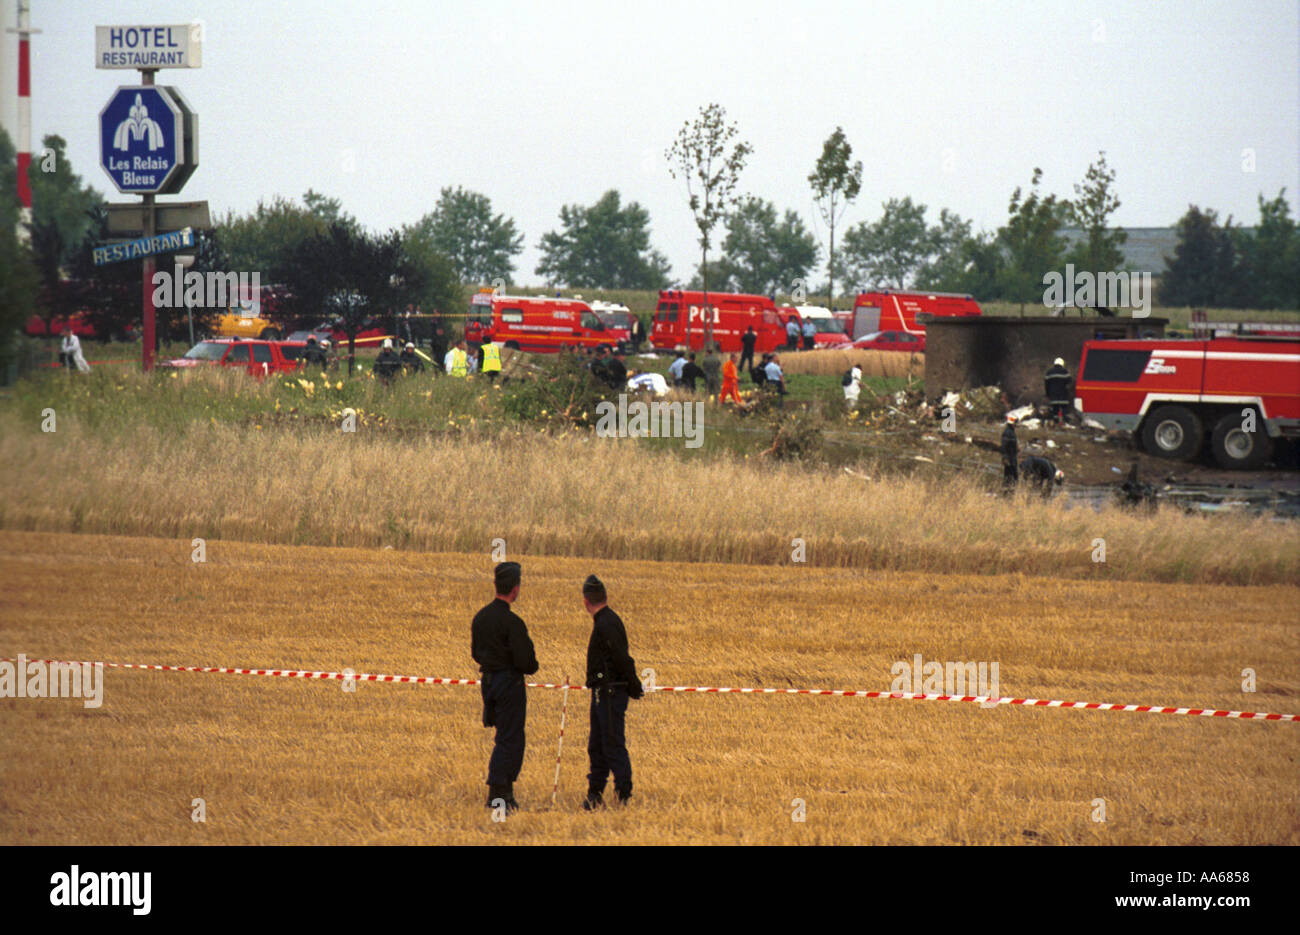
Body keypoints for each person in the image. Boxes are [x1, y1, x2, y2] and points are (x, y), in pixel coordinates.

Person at [471, 562, 539, 813]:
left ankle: (504, 792)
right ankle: (500, 793)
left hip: (488, 682)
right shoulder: (513, 623)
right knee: (510, 739)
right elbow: (527, 663)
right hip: (509, 684)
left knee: (503, 736)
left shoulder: (481, 617)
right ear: (515, 589)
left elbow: (476, 653)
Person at [581, 574, 642, 809]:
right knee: (597, 745)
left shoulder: (607, 623)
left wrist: (632, 683)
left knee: (612, 743)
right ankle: (595, 794)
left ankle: (623, 794)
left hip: (610, 693)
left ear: (586, 602)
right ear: (605, 596)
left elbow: (621, 658)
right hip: (603, 692)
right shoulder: (608, 621)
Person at [1044, 357, 1072, 424]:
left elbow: (1046, 385)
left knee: (1055, 409)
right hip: (1063, 394)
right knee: (1064, 408)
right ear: (1062, 364)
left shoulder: (1049, 372)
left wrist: (1047, 394)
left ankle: (1055, 422)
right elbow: (1069, 382)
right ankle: (1065, 422)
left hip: (1053, 394)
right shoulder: (1065, 372)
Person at [1001, 415, 1019, 487]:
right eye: (1015, 422)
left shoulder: (1011, 432)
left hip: (1013, 458)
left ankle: (1010, 492)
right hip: (1009, 459)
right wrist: (1005, 457)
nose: (1016, 424)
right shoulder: (1007, 432)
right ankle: (1006, 493)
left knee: (1014, 477)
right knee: (1009, 477)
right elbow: (1004, 445)